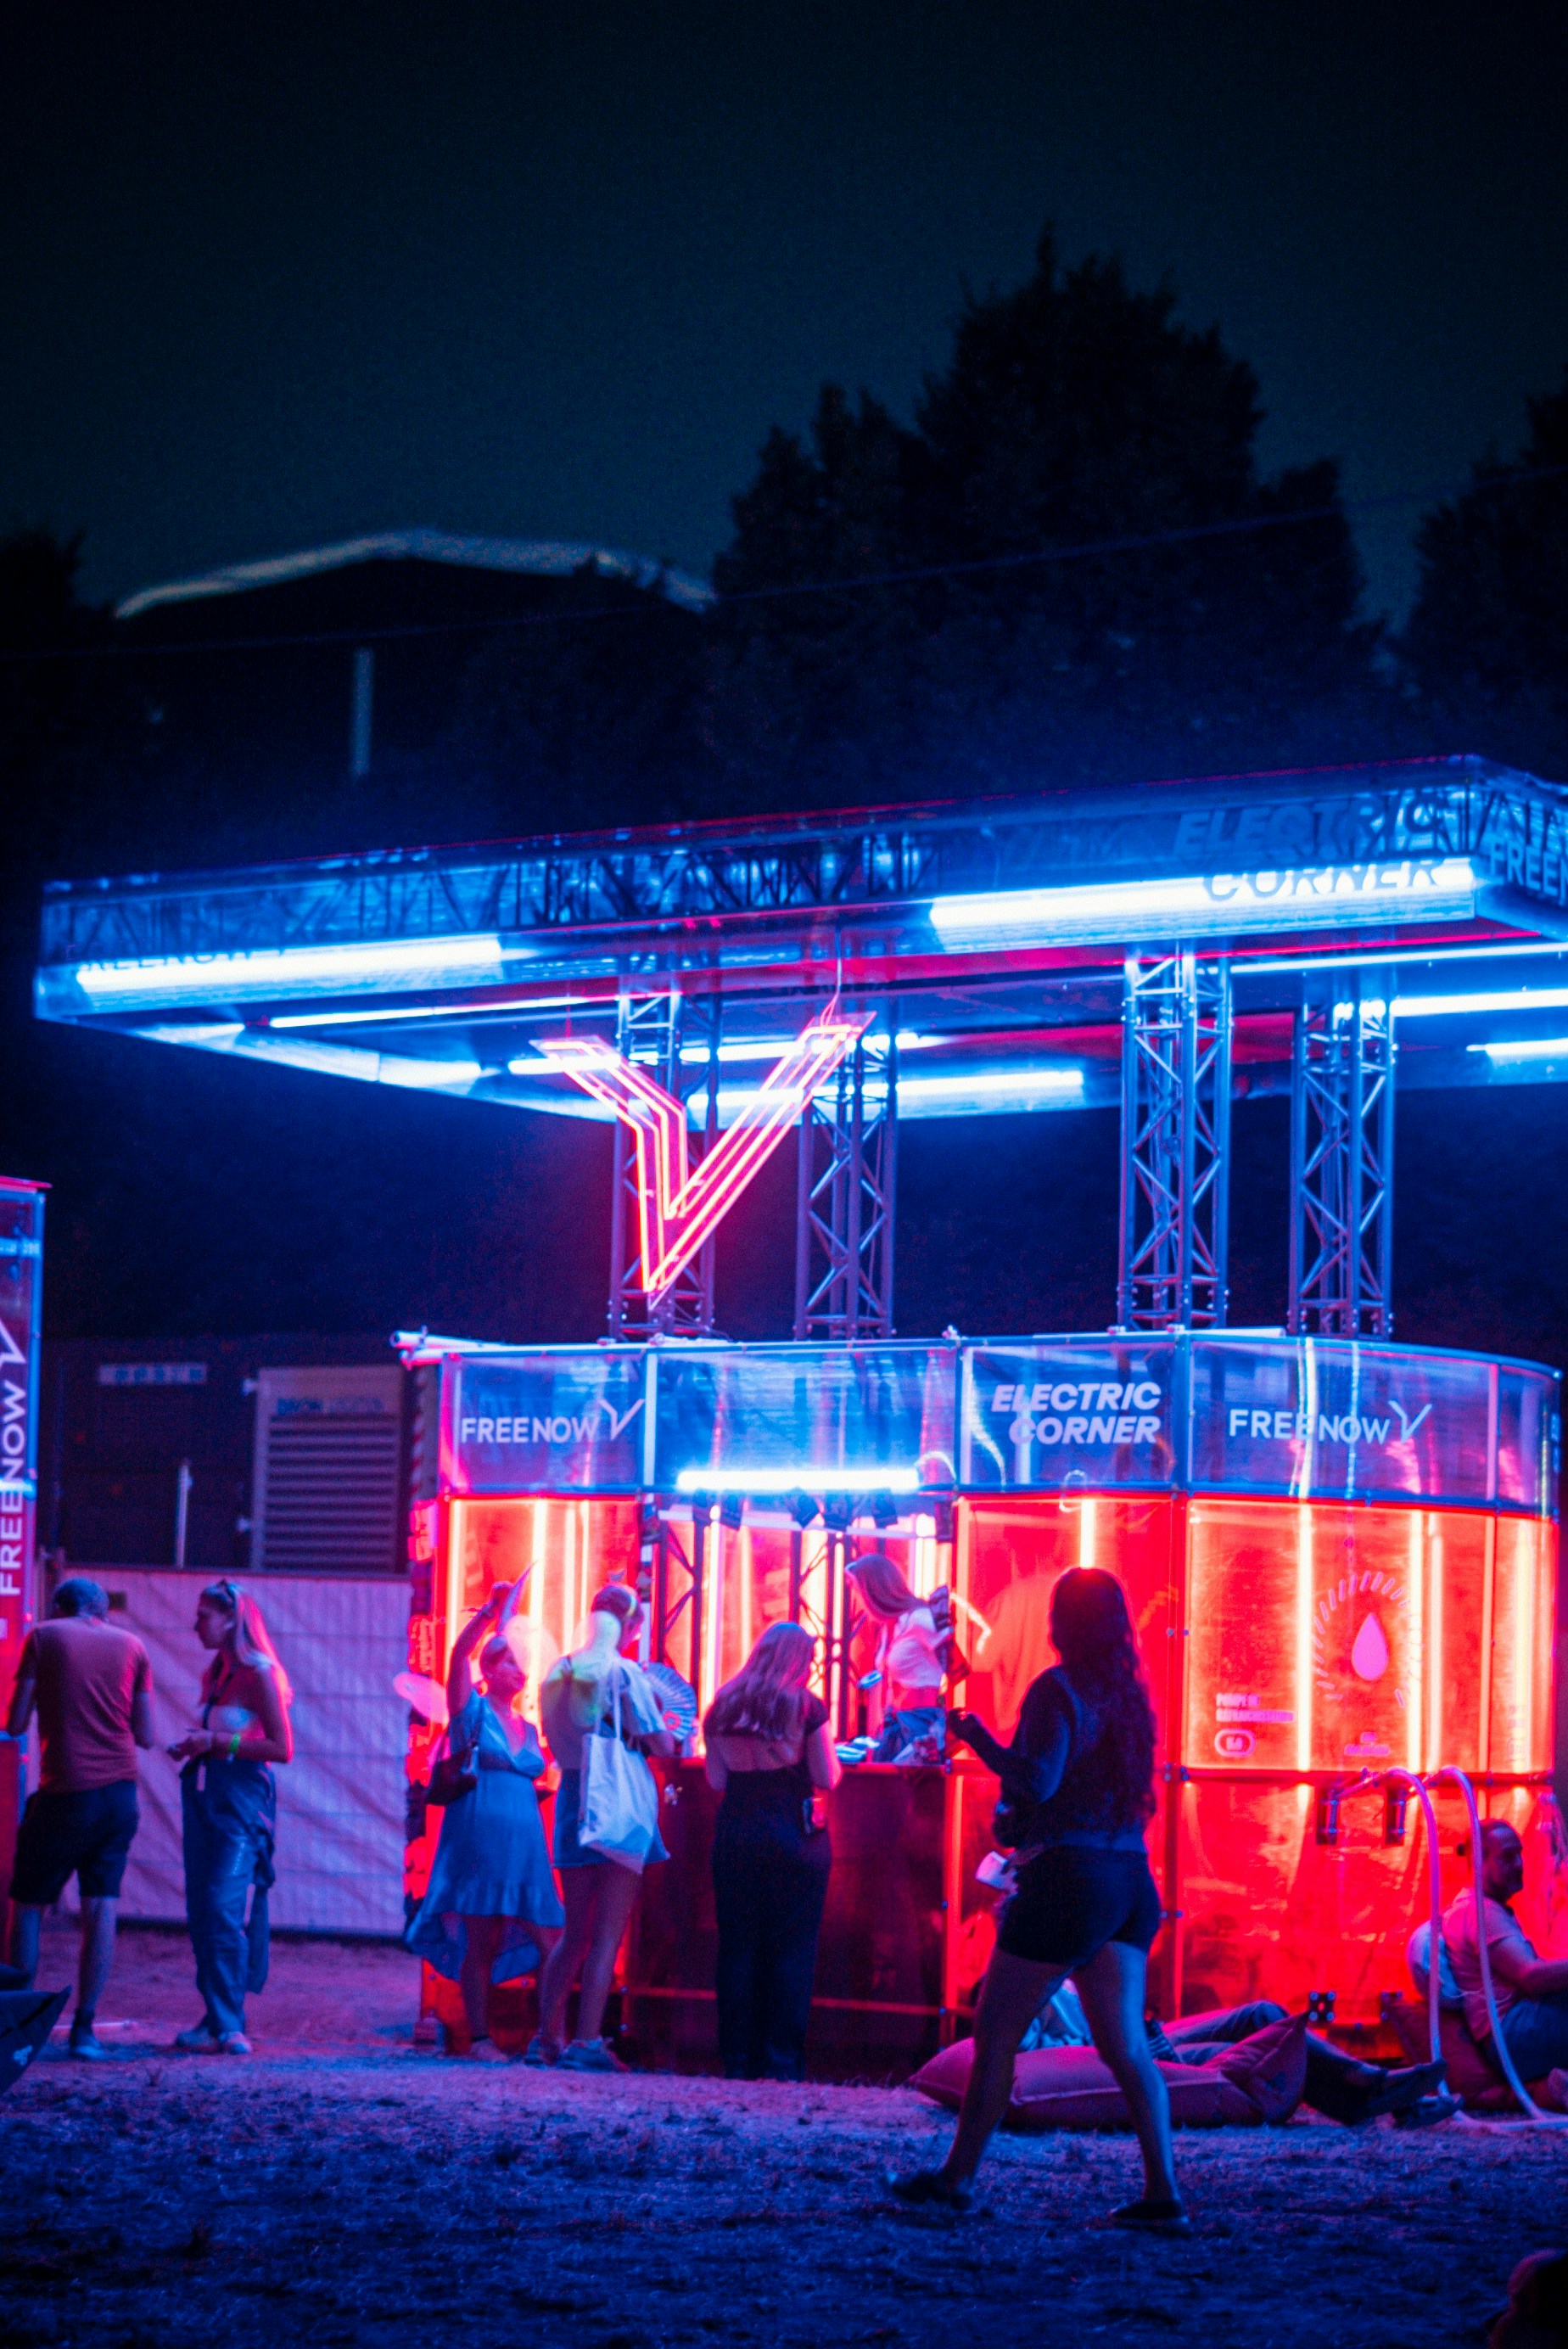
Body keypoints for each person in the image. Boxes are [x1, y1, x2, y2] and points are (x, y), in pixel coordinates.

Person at [893, 1566, 1185, 2231]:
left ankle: (956, 2180)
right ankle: (1164, 2193)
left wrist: (977, 1739)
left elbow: (1039, 1781)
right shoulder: (1127, 1697)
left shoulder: (1058, 1689)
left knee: (996, 2035)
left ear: (1060, 1622)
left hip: (1067, 1881)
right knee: (1126, 2047)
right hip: (1127, 1879)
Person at [406, 1582, 563, 2057]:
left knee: (551, 1937)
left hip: (525, 1844)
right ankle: (479, 2037)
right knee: (481, 1938)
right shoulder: (471, 1714)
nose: (520, 1670)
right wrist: (491, 1613)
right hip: (478, 1837)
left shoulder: (529, 1728)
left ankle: (547, 2035)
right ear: (490, 1669)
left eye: (522, 1663)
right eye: (510, 1661)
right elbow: (458, 1655)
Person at [3, 1577, 156, 2059]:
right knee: (101, 1906)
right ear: (101, 1609)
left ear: (59, 1607)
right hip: (120, 1796)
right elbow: (146, 1735)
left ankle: (17, 2028)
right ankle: (84, 2030)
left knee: (28, 1903)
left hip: (67, 1792)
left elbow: (15, 1721)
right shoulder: (133, 1646)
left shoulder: (44, 1636)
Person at [534, 1583, 673, 2071]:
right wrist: (664, 1720)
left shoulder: (560, 1670)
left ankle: (545, 2038)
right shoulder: (624, 1672)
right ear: (629, 1626)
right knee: (607, 1934)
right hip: (617, 1800)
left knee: (573, 1933)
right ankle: (587, 2041)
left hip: (574, 1796)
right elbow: (663, 1744)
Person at [704, 1622, 843, 2080]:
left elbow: (716, 1780)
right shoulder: (804, 1705)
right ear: (797, 1659)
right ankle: (781, 2063)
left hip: (736, 1831)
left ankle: (737, 2059)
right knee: (792, 1948)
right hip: (791, 1835)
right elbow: (826, 1776)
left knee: (737, 1946)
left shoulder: (722, 1704)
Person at [166, 1579, 293, 2055]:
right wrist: (195, 1744)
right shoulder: (216, 1672)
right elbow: (218, 1734)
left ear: (230, 1619)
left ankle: (231, 2022)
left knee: (223, 1905)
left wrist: (216, 1742)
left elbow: (281, 1748)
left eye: (204, 1616)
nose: (196, 1624)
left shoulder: (259, 1674)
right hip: (206, 1796)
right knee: (202, 1909)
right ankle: (216, 2016)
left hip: (243, 1802)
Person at [1441, 1818, 1568, 2081]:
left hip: (1514, 2032)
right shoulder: (1480, 1912)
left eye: (1519, 1855)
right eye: (1507, 1857)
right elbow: (1531, 1976)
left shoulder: (1481, 1908)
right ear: (1479, 1860)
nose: (1519, 1864)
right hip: (1512, 2036)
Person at [847, 1555, 967, 1761]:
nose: (857, 1600)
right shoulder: (892, 1625)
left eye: (858, 1592)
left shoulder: (920, 1619)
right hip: (896, 1724)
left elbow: (957, 1668)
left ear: (874, 1591)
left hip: (920, 1725)